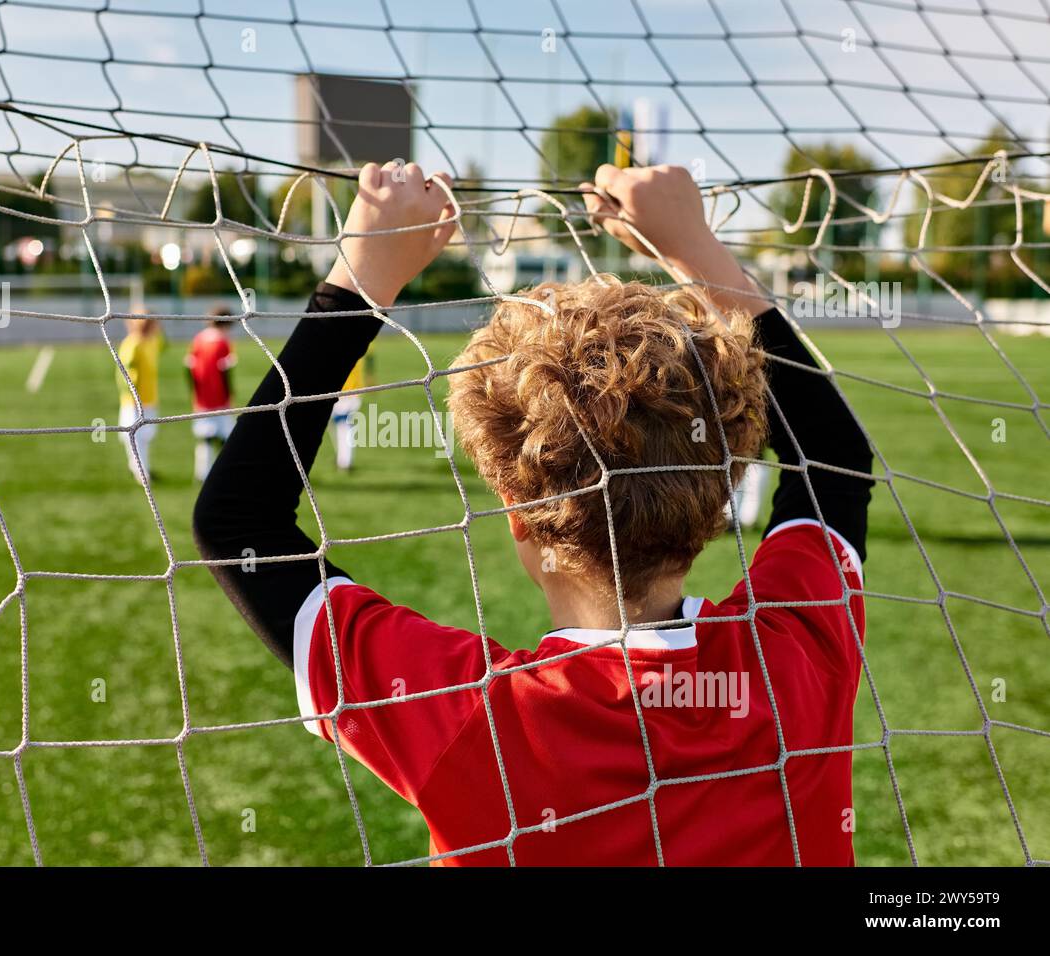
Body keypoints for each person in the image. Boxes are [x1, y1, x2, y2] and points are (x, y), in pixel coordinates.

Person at [193, 161, 873, 865]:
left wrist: (363, 277)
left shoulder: (477, 721)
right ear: (722, 495)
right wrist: (692, 247)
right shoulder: (799, 661)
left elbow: (238, 524)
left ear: (517, 513)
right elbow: (836, 460)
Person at [186, 306, 237, 482]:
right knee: (228, 438)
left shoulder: (198, 340)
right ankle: (226, 473)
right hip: (219, 398)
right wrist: (229, 394)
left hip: (202, 398)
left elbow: (189, 369)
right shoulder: (222, 343)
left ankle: (202, 474)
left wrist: (195, 394)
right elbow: (225, 372)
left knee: (205, 438)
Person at [115, 316, 162, 485]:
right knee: (133, 437)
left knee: (145, 437)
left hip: (149, 399)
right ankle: (140, 472)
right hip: (134, 401)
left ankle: (142, 468)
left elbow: (164, 345)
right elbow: (127, 373)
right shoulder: (132, 344)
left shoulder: (151, 341)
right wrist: (133, 395)